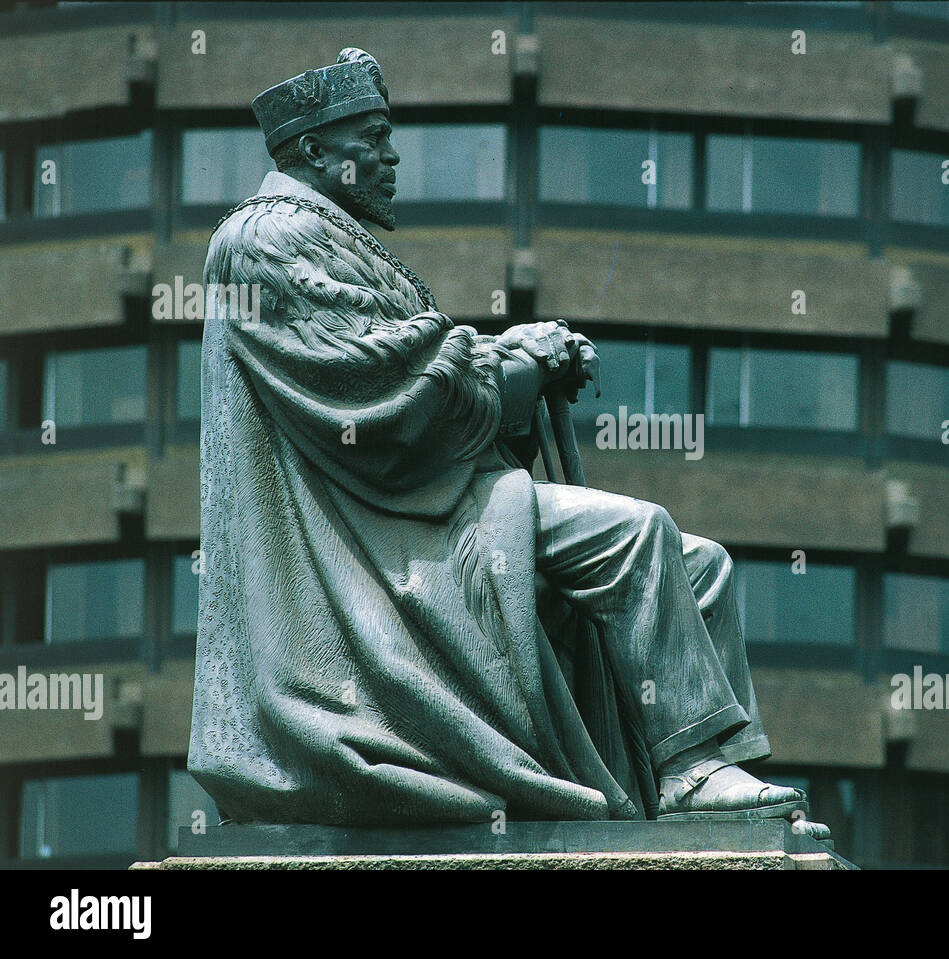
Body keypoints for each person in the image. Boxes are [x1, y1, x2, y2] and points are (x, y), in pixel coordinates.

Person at [189, 47, 822, 835]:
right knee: (639, 534)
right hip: (373, 544)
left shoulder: (332, 234)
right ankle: (691, 771)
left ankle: (703, 773)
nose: (391, 159)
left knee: (702, 565)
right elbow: (377, 391)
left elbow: (417, 362)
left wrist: (514, 360)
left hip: (425, 509)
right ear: (312, 149)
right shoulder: (262, 239)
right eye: (374, 139)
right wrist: (513, 367)